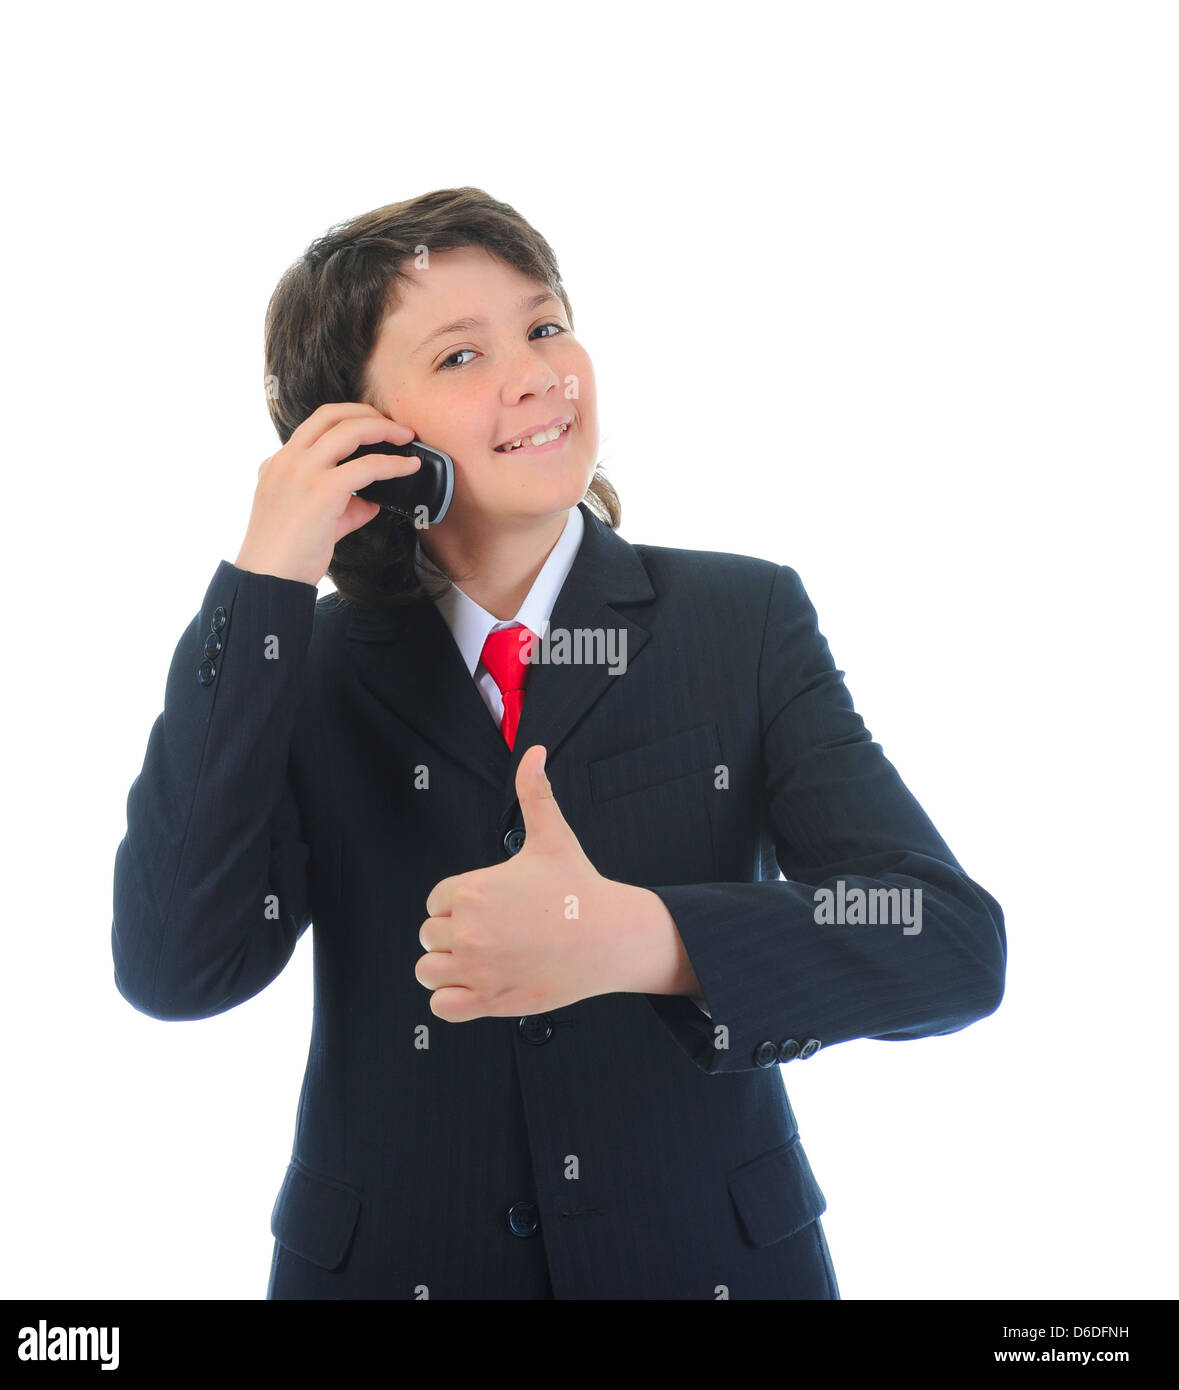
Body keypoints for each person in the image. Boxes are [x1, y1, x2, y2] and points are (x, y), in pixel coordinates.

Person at [112, 187, 1007, 1300]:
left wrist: (641, 936)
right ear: (360, 434)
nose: (538, 373)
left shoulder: (740, 619)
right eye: (458, 356)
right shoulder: (298, 668)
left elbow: (942, 938)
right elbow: (174, 968)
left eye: (544, 327)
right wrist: (262, 583)